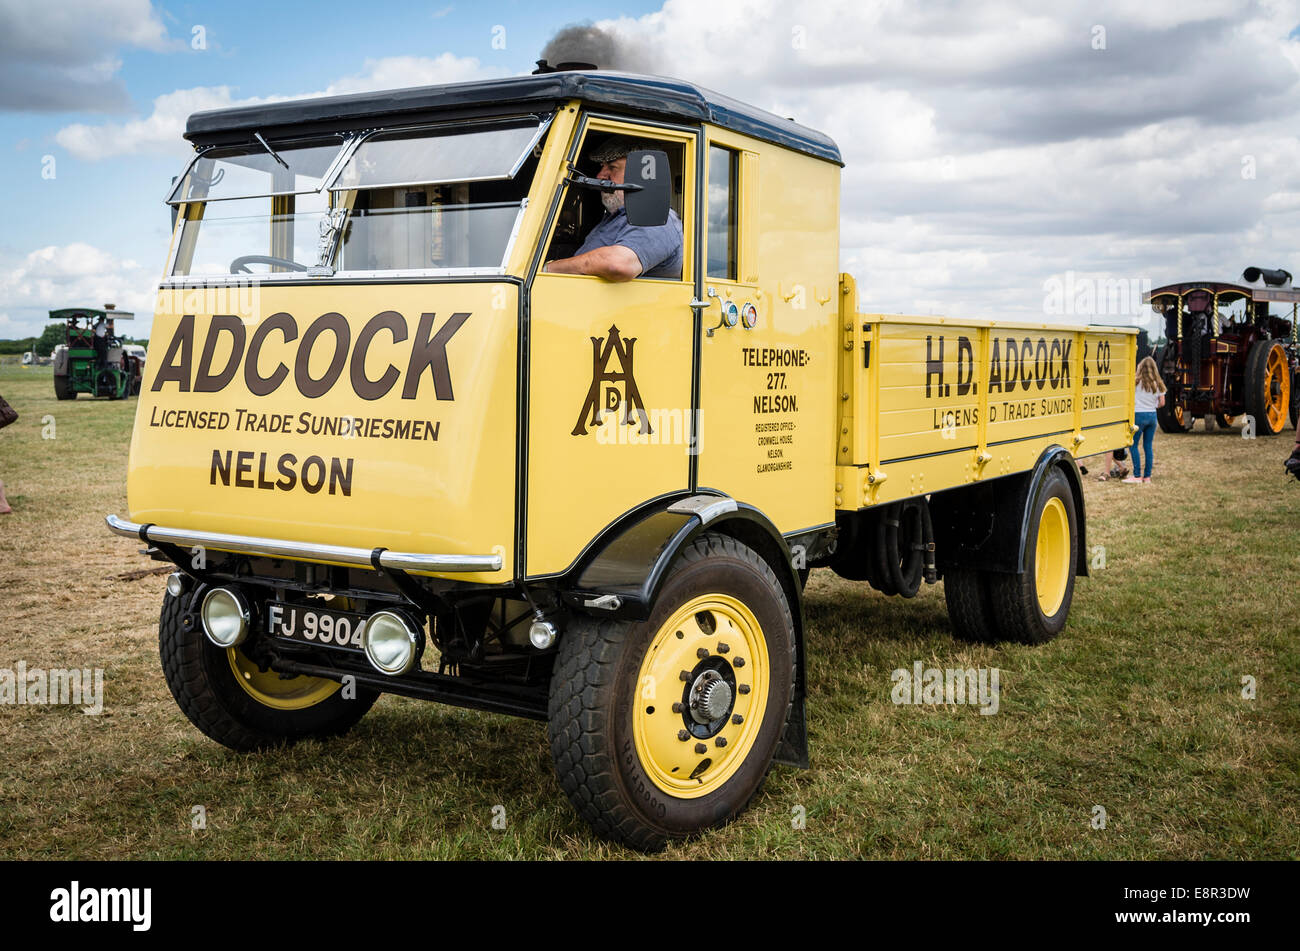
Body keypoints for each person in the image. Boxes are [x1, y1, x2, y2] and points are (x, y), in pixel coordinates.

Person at [543, 136, 683, 281]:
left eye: (612, 167)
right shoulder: (616, 218)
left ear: (642, 175)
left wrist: (547, 269)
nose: (600, 175)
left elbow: (618, 265)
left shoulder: (656, 218)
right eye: (602, 167)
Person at [1124, 355, 1166, 484]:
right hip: (1152, 416)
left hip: (1138, 415)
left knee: (1133, 445)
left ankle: (1137, 475)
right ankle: (1147, 477)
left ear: (1140, 368)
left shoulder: (1135, 382)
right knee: (1148, 446)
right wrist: (1153, 406)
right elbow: (1162, 403)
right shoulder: (1158, 383)